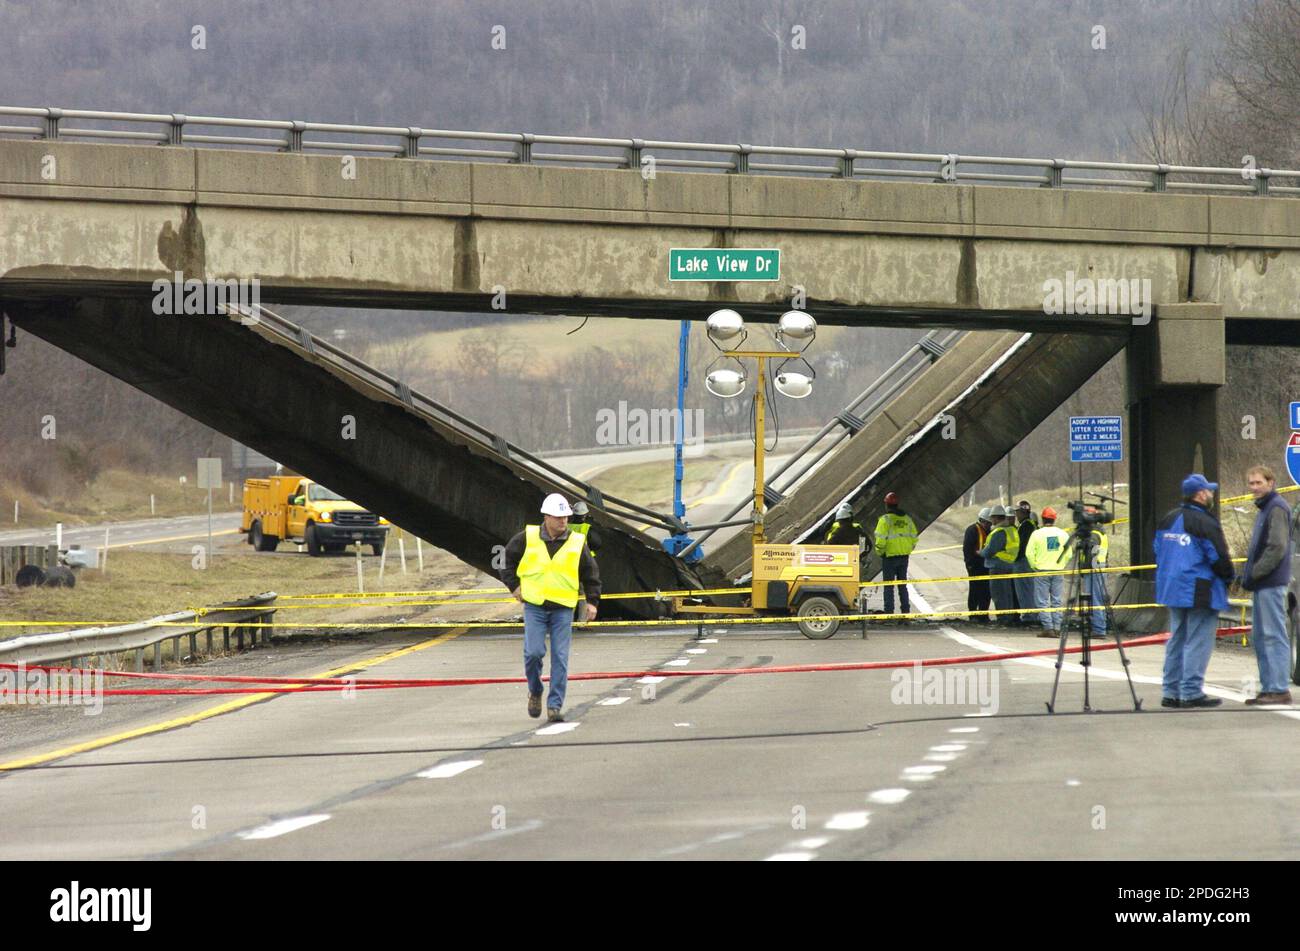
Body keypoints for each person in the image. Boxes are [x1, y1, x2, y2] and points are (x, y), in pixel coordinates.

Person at [500, 493, 601, 722]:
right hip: (535, 606)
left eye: (565, 516)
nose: (563, 521)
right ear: (546, 517)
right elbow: (505, 560)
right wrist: (514, 587)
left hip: (563, 608)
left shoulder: (576, 542)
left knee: (560, 657)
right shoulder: (528, 537)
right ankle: (535, 690)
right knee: (533, 653)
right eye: (558, 517)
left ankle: (554, 705)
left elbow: (591, 573)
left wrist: (593, 601)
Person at [1154, 474, 1233, 709]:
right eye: (1208, 491)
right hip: (1199, 588)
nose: (1211, 494)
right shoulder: (1204, 521)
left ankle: (1171, 690)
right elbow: (1218, 556)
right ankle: (1190, 691)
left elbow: (1157, 550)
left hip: (1171, 587)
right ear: (1200, 494)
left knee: (1177, 638)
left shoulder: (1168, 518)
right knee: (1198, 640)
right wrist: (1229, 577)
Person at [1239, 465, 1294, 706]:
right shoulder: (1265, 508)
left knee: (1273, 634)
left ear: (1270, 482)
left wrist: (1254, 573)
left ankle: (1279, 688)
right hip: (1263, 583)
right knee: (1260, 635)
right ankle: (1269, 687)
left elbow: (1277, 547)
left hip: (1271, 582)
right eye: (1251, 483)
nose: (1254, 488)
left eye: (1258, 482)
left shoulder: (1277, 508)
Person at [874, 491, 918, 621]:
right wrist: (907, 550)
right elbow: (914, 538)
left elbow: (880, 541)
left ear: (886, 505)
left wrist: (880, 552)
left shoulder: (885, 520)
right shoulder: (907, 519)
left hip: (889, 557)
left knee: (888, 586)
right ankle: (905, 613)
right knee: (902, 585)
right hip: (903, 557)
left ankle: (889, 614)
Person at [1025, 507, 1069, 637]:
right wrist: (1061, 564)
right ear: (1054, 519)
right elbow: (1069, 553)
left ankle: (1048, 628)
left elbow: (1029, 553)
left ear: (1042, 519)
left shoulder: (1036, 534)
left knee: (1042, 600)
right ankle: (1057, 627)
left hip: (1042, 571)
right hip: (1058, 571)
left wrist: (1035, 566)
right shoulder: (1063, 534)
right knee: (1057, 600)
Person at [979, 506, 1019, 625]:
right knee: (1007, 594)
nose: (991, 520)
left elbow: (990, 550)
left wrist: (981, 552)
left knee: (999, 594)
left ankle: (1003, 620)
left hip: (998, 566)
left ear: (996, 517)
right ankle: (1009, 618)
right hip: (1009, 565)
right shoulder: (1011, 529)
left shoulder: (999, 531)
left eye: (992, 517)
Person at [963, 507, 994, 624]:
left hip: (986, 566)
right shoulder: (972, 530)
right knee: (975, 590)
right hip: (975, 566)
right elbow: (967, 548)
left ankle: (983, 614)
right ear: (982, 520)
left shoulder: (989, 531)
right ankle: (973, 614)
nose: (989, 525)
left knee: (986, 591)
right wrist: (969, 564)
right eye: (987, 523)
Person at [1011, 501, 1039, 626]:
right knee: (1030, 589)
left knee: (1024, 590)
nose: (1016, 515)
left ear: (1022, 512)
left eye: (1017, 512)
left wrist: (1013, 558)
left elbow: (1022, 546)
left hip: (1023, 562)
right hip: (1028, 561)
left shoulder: (1026, 526)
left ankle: (1029, 616)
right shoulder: (1030, 525)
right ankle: (1032, 614)